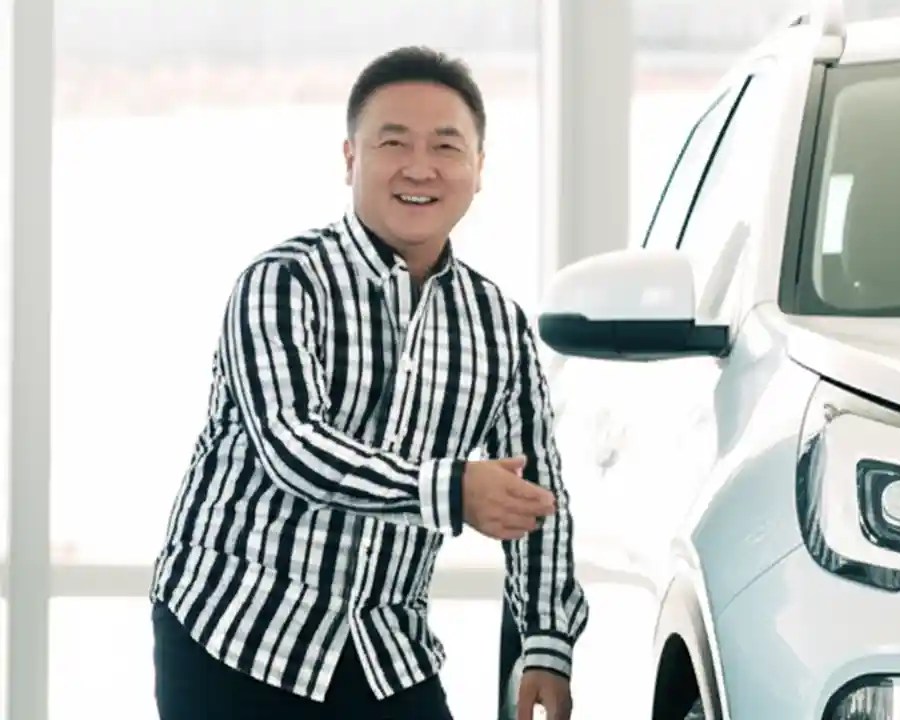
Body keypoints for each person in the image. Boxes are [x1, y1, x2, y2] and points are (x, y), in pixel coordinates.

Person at [148, 45, 589, 720]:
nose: (420, 167)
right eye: (393, 142)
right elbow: (293, 447)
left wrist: (546, 643)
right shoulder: (282, 283)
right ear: (352, 158)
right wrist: (451, 488)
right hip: (235, 632)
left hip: (385, 648)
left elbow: (537, 497)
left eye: (447, 145)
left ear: (478, 169)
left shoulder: (498, 324)